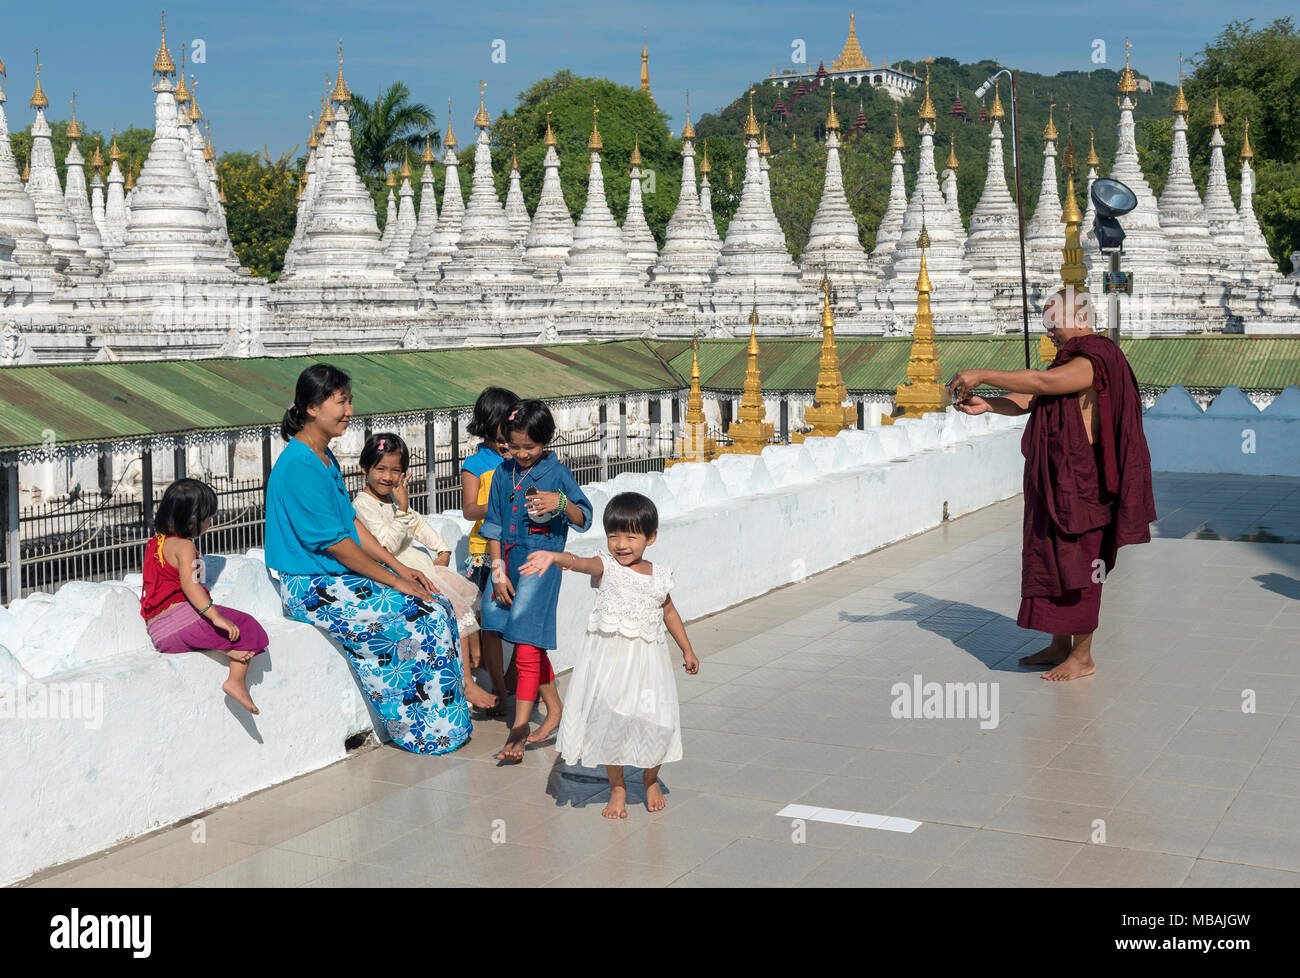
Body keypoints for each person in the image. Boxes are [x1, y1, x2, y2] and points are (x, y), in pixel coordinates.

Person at [949, 287, 1156, 681]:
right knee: (1052, 559)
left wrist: (981, 373)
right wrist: (990, 403)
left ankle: (1083, 656)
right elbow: (1030, 399)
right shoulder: (1068, 363)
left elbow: (1042, 384)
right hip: (1055, 482)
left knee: (1082, 566)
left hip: (1084, 485)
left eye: (1051, 321)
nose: (1048, 332)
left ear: (1075, 315)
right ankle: (1060, 645)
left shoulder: (1096, 356)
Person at [265, 363, 472, 754]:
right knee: (419, 614)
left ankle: (448, 725)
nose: (348, 411)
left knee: (437, 605)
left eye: (349, 401)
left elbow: (352, 524)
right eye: (340, 402)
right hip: (310, 585)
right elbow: (335, 544)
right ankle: (424, 731)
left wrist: (401, 568)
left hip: (333, 576)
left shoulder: (323, 458)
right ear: (312, 408)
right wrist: (393, 581)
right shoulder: (298, 466)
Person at [521, 492, 699, 818]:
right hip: (610, 666)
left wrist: (686, 649)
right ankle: (617, 786)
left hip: (648, 666)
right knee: (612, 724)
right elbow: (581, 563)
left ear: (651, 537)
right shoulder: (607, 566)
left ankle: (650, 778)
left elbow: (669, 612)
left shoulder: (659, 575)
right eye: (614, 535)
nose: (621, 543)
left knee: (658, 723)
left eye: (631, 536)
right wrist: (555, 557)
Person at [480, 399, 593, 761]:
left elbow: (583, 516)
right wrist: (496, 571)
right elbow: (493, 525)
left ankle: (519, 727)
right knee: (511, 632)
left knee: (527, 646)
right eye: (514, 446)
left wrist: (559, 502)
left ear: (546, 441)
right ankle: (554, 708)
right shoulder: (502, 473)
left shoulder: (556, 474)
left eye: (529, 447)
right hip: (506, 565)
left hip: (540, 564)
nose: (521, 453)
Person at [352, 432, 497, 712]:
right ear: (364, 469)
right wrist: (403, 508)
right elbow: (386, 545)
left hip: (421, 567)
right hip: (401, 573)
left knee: (463, 601)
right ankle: (466, 680)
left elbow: (416, 525)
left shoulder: (392, 501)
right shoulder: (363, 505)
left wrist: (441, 549)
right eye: (380, 469)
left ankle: (474, 666)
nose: (387, 476)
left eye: (395, 470)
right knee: (454, 608)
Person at [140, 478, 269, 714]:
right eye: (208, 517)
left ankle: (230, 651)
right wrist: (215, 616)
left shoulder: (152, 544)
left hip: (158, 631)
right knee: (248, 626)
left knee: (232, 636)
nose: (210, 522)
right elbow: (191, 588)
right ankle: (236, 680)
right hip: (183, 623)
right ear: (192, 520)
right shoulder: (184, 547)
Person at [460, 387, 517, 714]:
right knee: (491, 620)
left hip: (514, 549)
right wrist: (499, 503)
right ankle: (495, 685)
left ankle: (509, 679)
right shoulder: (476, 463)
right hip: (484, 551)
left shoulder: (517, 457)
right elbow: (469, 509)